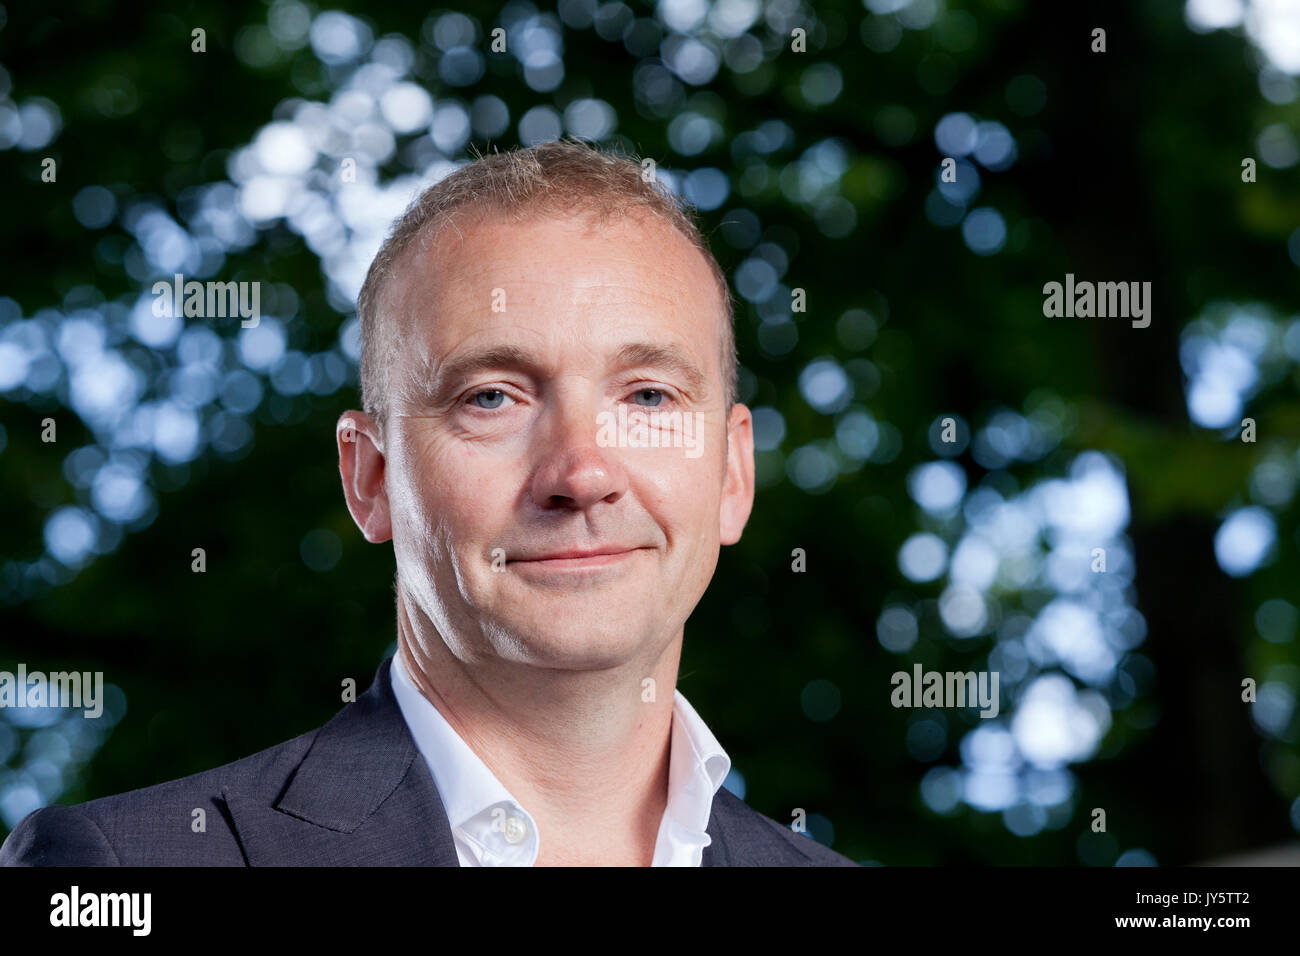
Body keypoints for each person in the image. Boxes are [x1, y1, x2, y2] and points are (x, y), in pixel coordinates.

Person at [1, 139, 856, 866]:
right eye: (491, 398)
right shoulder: (123, 864)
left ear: (733, 475)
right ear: (369, 478)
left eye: (649, 398)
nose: (582, 473)